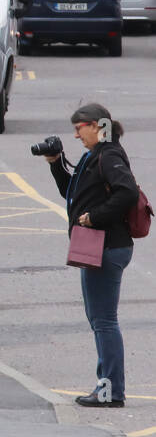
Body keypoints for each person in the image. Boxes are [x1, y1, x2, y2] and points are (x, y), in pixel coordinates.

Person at [45, 103, 139, 407]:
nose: (76, 135)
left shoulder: (108, 154)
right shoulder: (95, 155)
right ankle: (107, 386)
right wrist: (55, 163)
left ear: (98, 125)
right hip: (98, 245)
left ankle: (111, 391)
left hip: (107, 245)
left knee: (104, 321)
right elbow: (73, 194)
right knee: (99, 319)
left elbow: (128, 193)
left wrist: (94, 217)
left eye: (79, 128)